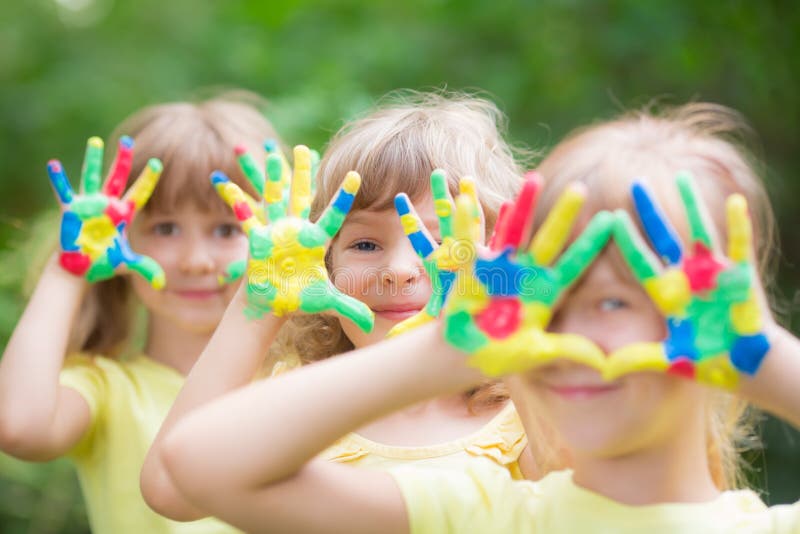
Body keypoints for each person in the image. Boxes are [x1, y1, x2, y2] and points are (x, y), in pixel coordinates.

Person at [157, 103, 799, 533]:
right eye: (551, 302)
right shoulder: (487, 514)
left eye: (617, 301)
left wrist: (760, 358)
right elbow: (191, 471)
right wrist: (449, 349)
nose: (571, 337)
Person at [140, 90, 543, 522]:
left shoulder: (525, 408)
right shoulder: (299, 405)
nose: (400, 270)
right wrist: (256, 304)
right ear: (326, 264)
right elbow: (170, 488)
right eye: (365, 243)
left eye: (441, 241)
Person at [0, 92, 283, 534]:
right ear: (119, 235)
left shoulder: (305, 378)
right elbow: (20, 427)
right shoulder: (108, 389)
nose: (195, 261)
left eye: (227, 229)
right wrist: (67, 269)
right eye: (165, 228)